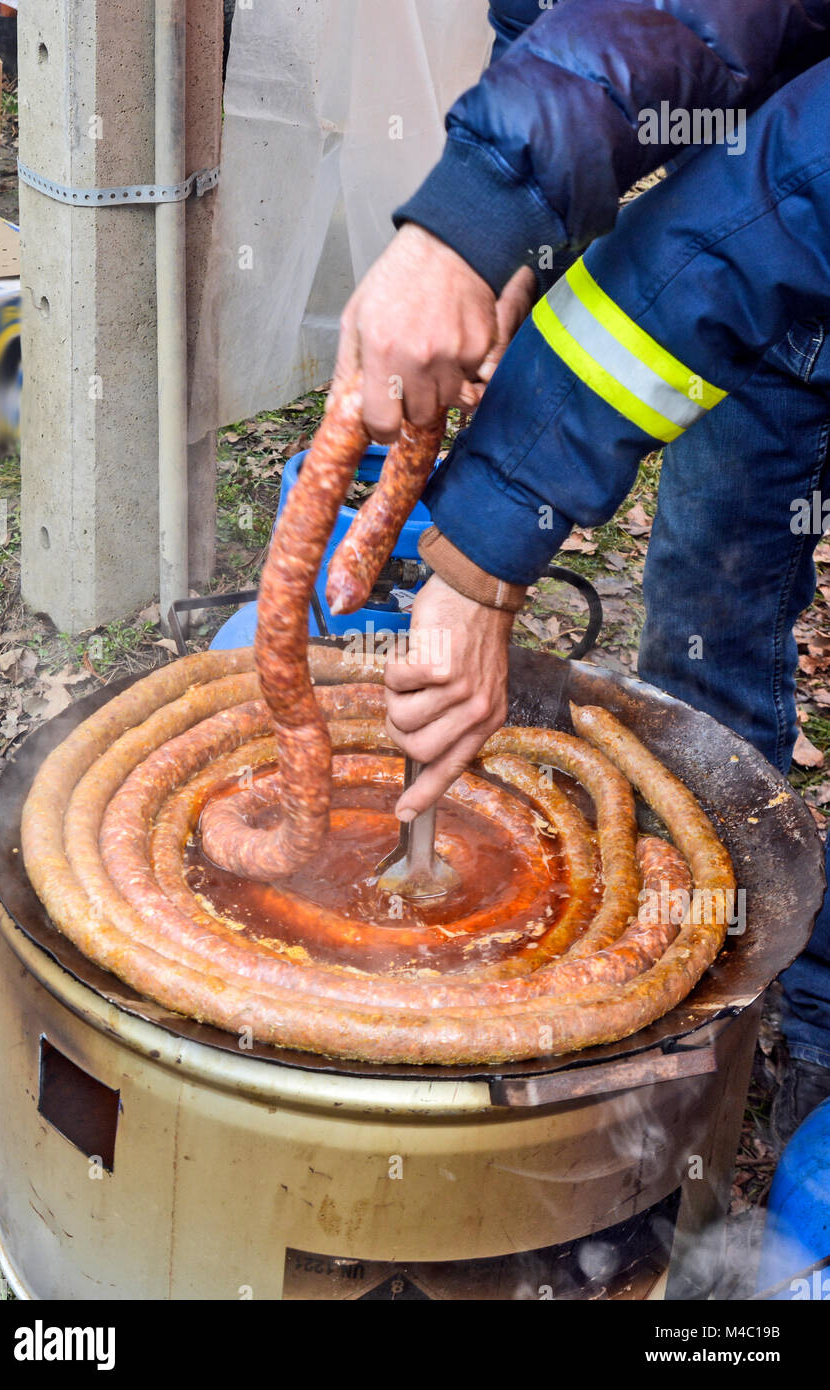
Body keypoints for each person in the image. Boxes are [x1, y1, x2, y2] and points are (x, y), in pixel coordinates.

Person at [332, 0, 830, 1141]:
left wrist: (478, 562)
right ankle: (705, 1021)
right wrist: (509, 229)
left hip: (774, 224)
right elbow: (623, 26)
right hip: (764, 281)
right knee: (707, 629)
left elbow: (743, 229)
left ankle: (815, 1026)